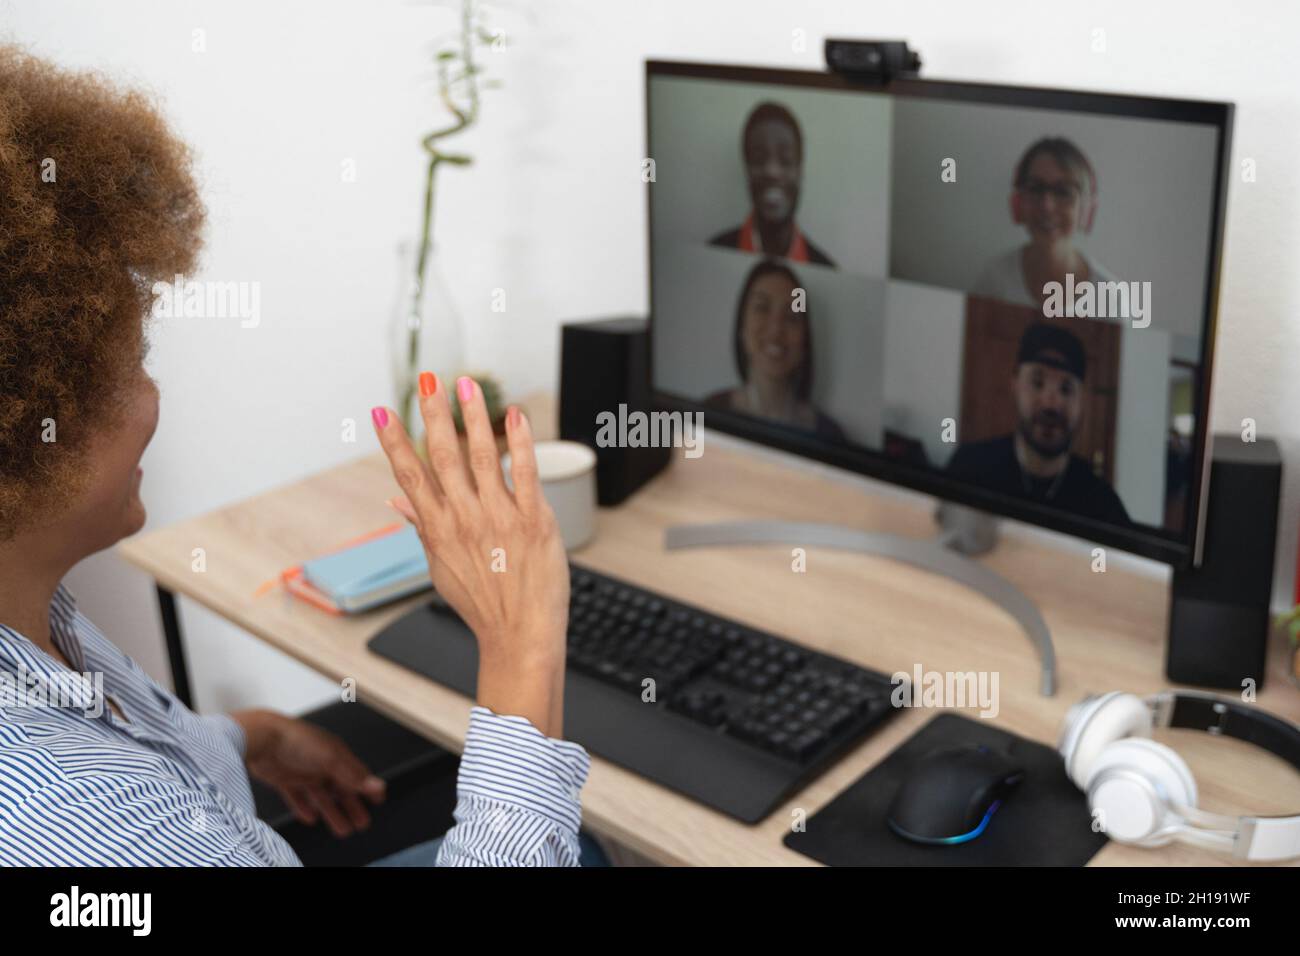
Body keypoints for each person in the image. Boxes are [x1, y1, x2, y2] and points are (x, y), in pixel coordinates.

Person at [0, 44, 589, 867]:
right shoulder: (68, 818)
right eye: (129, 364)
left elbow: (122, 743)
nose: (152, 398)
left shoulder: (30, 622)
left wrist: (239, 742)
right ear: (29, 425)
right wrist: (524, 645)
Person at [946, 323, 1130, 525]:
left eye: (1066, 389)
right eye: (1037, 382)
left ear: (1082, 399)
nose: (1050, 403)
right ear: (1015, 385)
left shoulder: (1103, 505)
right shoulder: (968, 468)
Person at [704, 260, 847, 442]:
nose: (776, 330)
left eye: (791, 317)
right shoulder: (708, 411)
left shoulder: (830, 436)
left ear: (805, 341)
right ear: (741, 327)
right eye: (762, 308)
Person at [973, 137, 1118, 308]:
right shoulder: (995, 280)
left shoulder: (1110, 298)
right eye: (1035, 189)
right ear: (1018, 203)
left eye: (1063, 192)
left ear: (1085, 210)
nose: (1047, 206)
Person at [709, 102, 835, 266]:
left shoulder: (827, 270)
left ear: (800, 171)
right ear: (747, 170)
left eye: (786, 159)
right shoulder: (713, 256)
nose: (772, 171)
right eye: (759, 158)